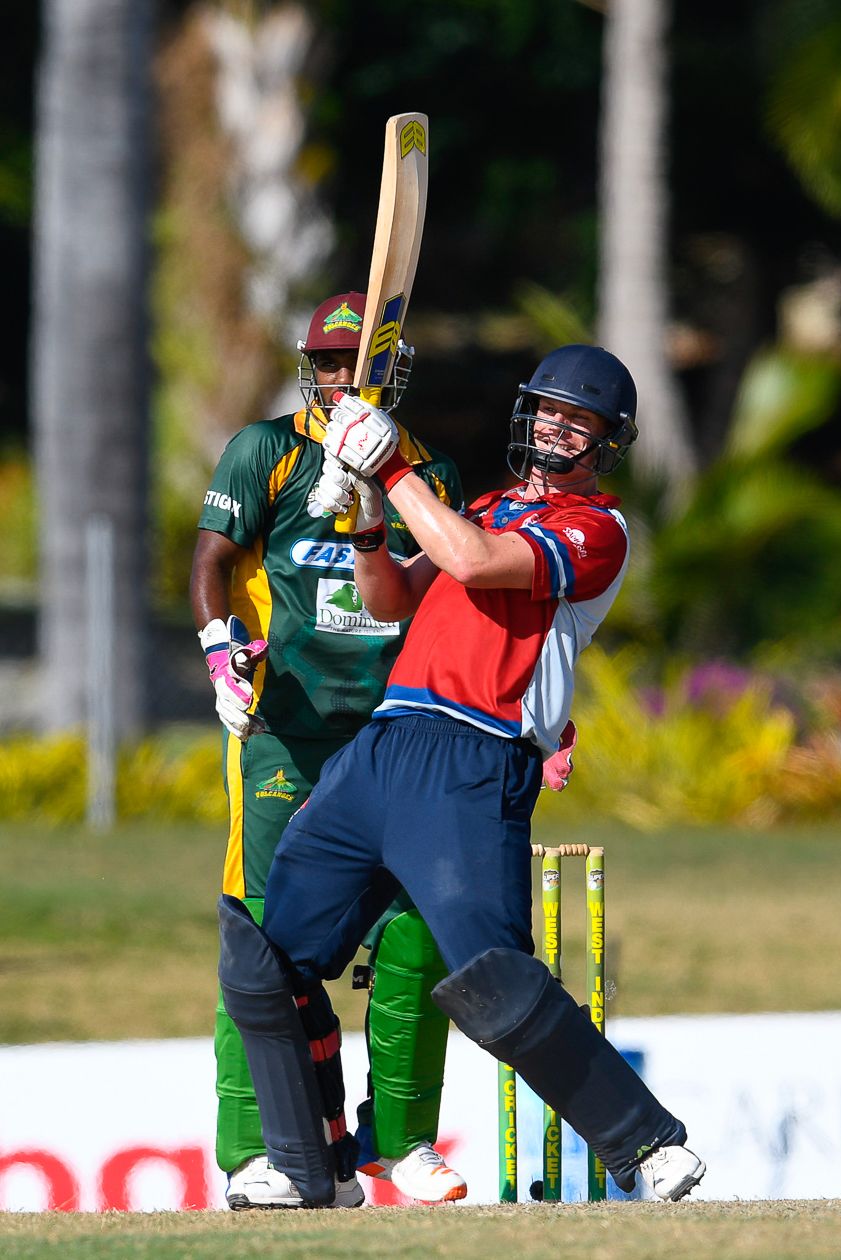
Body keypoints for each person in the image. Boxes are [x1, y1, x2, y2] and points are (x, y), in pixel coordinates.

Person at [217, 342, 708, 1207]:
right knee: (267, 959)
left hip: (473, 760)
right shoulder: (482, 503)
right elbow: (388, 599)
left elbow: (477, 562)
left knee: (491, 973)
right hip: (383, 744)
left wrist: (393, 463)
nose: (556, 427)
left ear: (607, 443)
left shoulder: (597, 529)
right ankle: (311, 1170)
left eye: (578, 420)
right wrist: (365, 513)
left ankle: (650, 1145)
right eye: (548, 410)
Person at [190, 291, 469, 1208]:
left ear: (394, 368)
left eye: (364, 364)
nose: (346, 378)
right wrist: (222, 652)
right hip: (286, 735)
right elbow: (212, 565)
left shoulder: (431, 470)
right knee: (265, 943)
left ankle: (401, 1145)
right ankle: (262, 1154)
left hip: (396, 738)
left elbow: (451, 596)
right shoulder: (265, 450)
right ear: (313, 365)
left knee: (418, 935)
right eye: (331, 362)